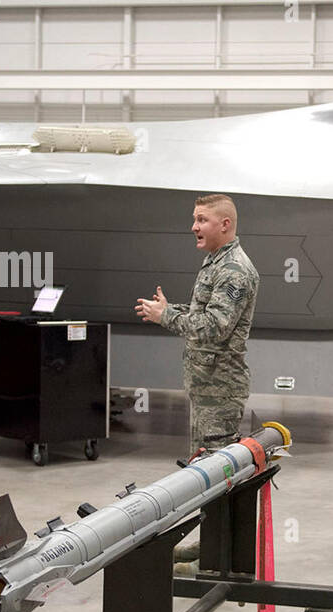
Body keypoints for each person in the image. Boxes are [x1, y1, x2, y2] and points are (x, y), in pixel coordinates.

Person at [136, 194, 258, 566]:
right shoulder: (215, 263)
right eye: (194, 219)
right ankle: (211, 545)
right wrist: (170, 310)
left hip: (219, 389)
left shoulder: (234, 270)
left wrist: (165, 318)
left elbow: (214, 328)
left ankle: (218, 554)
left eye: (202, 219)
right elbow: (204, 313)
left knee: (217, 473)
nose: (194, 226)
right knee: (204, 470)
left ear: (225, 224)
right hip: (206, 386)